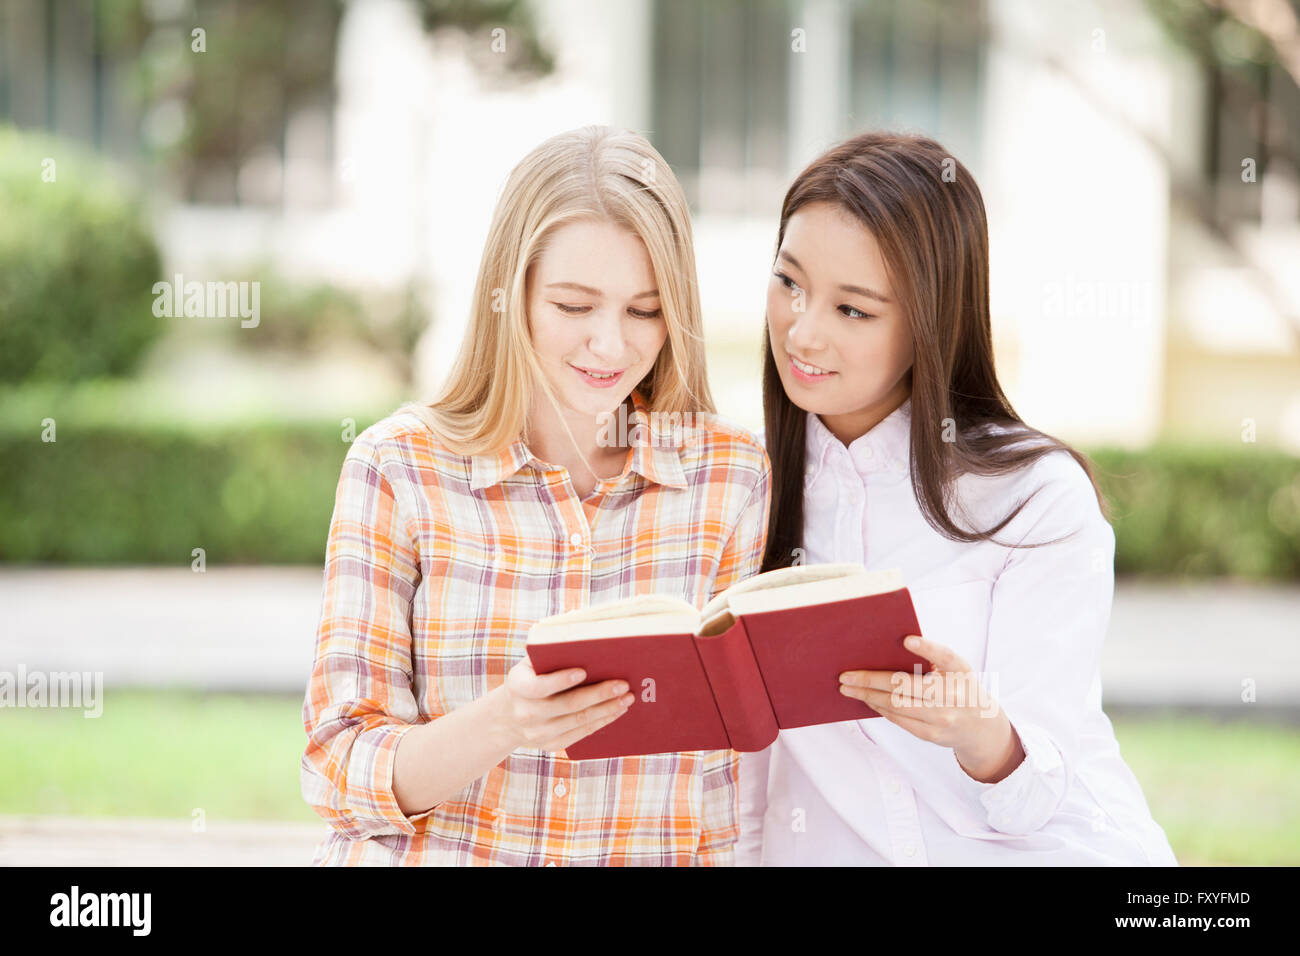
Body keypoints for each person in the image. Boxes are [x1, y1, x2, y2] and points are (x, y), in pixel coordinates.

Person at [301, 126, 770, 865]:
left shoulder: (731, 478)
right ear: (509, 293)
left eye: (645, 310)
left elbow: (732, 787)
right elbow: (336, 772)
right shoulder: (399, 469)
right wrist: (505, 722)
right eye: (575, 306)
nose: (611, 345)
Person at [737, 131, 1177, 866]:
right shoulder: (744, 487)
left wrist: (979, 730)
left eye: (854, 310)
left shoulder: (1032, 496)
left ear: (930, 323)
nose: (802, 330)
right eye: (789, 283)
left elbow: (1041, 793)